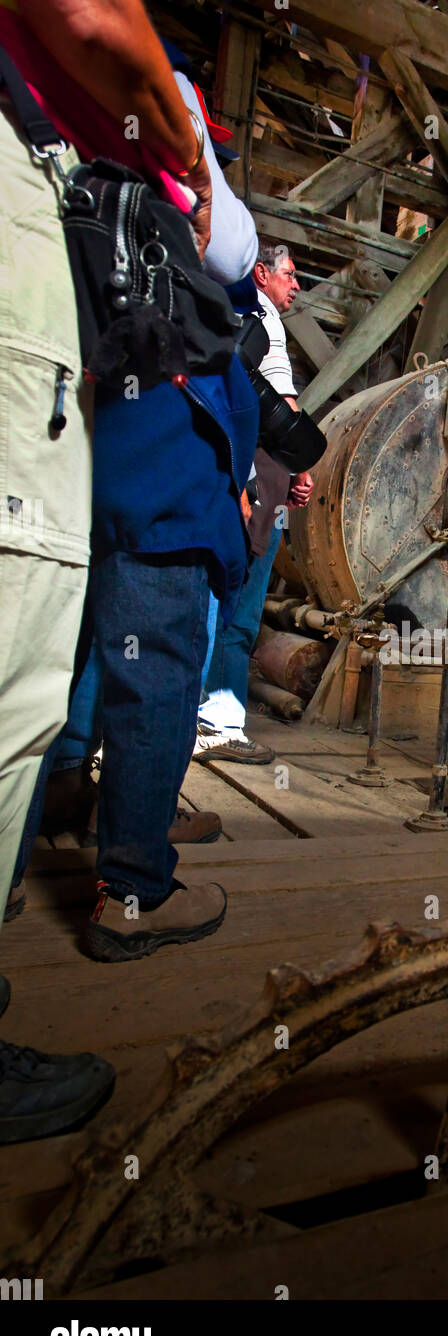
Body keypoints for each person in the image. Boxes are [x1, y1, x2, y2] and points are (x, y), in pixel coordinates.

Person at [0, 0, 215, 1141]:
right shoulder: (159, 233)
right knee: (136, 673)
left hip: (110, 474)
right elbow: (93, 18)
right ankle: (134, 886)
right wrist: (185, 147)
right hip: (156, 495)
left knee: (63, 674)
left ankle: (87, 834)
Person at [195, 242, 314, 766]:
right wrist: (285, 470)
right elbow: (268, 409)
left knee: (231, 603)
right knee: (235, 606)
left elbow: (274, 405)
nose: (296, 285)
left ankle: (209, 717)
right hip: (257, 480)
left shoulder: (253, 320)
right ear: (261, 273)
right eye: (289, 274)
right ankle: (213, 722)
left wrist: (294, 471)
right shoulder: (256, 316)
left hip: (262, 476)